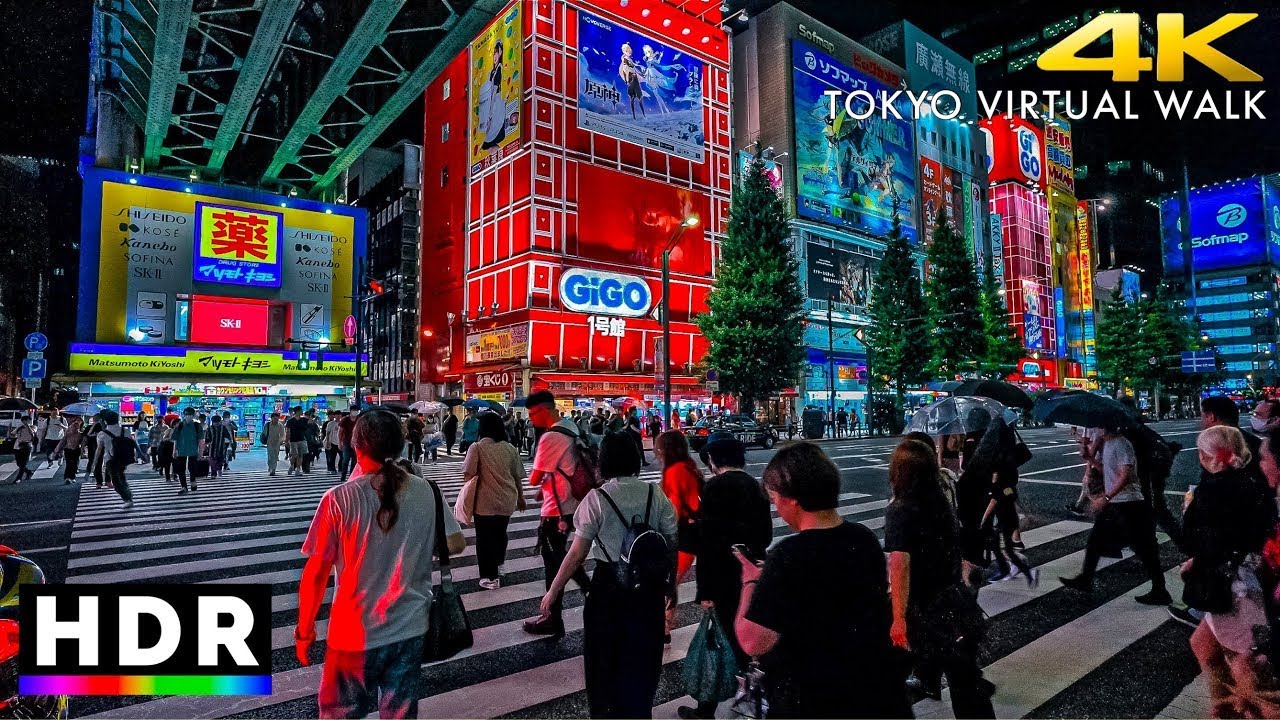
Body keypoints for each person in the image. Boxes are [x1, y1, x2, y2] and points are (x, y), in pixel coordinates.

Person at [295, 408, 466, 719]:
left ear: (356, 445)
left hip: (353, 632)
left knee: (340, 713)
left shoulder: (339, 498)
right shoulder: (426, 490)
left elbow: (316, 574)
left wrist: (305, 629)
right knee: (400, 713)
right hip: (411, 627)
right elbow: (455, 543)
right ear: (400, 445)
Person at [734, 442, 912, 719]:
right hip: (873, 689)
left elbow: (753, 641)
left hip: (814, 697)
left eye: (775, 498)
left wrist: (751, 582)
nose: (776, 507)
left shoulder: (788, 556)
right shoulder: (863, 539)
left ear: (792, 498)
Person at [539, 431, 677, 718]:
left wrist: (553, 591)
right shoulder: (655, 494)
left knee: (603, 659)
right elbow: (671, 542)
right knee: (643, 658)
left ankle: (606, 712)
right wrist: (670, 585)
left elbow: (576, 554)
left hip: (607, 587)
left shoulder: (596, 499)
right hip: (648, 587)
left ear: (604, 461)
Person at [885, 439, 995, 718]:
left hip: (922, 607)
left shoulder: (901, 508)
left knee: (888, 675)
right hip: (953, 601)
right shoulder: (940, 501)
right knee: (963, 679)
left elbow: (900, 565)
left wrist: (898, 618)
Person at [1183, 425, 1280, 718]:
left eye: (1265, 458)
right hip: (1248, 576)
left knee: (1244, 661)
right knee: (1204, 645)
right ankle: (1226, 708)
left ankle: (1255, 710)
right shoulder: (1255, 484)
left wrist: (1191, 513)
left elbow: (1197, 538)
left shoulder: (1211, 490)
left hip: (1231, 585)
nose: (1261, 463)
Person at [678, 433, 772, 720]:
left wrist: (705, 591)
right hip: (750, 572)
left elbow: (708, 543)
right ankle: (752, 703)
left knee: (720, 640)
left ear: (713, 459)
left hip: (721, 576)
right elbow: (765, 536)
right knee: (745, 639)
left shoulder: (715, 487)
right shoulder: (754, 486)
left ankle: (709, 709)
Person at [1060, 422, 1171, 605]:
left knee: (1143, 549)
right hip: (1116, 503)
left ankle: (1160, 589)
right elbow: (1109, 471)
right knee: (1095, 541)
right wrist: (1092, 460)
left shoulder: (1121, 444)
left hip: (1129, 503)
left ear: (1105, 427)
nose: (1095, 431)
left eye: (1098, 428)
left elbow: (1126, 475)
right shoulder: (1109, 444)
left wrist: (1106, 497)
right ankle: (1086, 579)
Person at [523, 390, 593, 636]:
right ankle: (559, 613)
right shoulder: (570, 427)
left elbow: (534, 477)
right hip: (574, 502)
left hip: (557, 509)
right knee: (561, 559)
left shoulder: (550, 437)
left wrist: (540, 485)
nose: (531, 419)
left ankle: (556, 615)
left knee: (556, 562)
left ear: (544, 410)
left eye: (533, 414)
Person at [462, 412, 527, 589]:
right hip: (507, 499)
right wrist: (521, 497)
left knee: (484, 539)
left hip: (484, 501)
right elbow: (518, 476)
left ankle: (489, 577)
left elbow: (468, 475)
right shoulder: (510, 448)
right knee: (500, 533)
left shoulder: (477, 448)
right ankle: (499, 563)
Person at [655, 430, 703, 641]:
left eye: (660, 448)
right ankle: (664, 626)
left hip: (682, 535)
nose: (657, 452)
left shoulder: (675, 471)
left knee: (668, 581)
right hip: (692, 532)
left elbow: (675, 508)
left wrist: (664, 533)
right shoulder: (689, 466)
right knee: (671, 581)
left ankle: (664, 627)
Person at [97, 411, 136, 509]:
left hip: (111, 460)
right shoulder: (125, 431)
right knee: (121, 476)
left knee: (116, 481)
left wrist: (93, 463)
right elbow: (133, 443)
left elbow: (99, 450)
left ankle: (127, 498)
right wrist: (142, 454)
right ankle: (128, 494)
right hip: (124, 458)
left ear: (105, 421)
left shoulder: (102, 434)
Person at [170, 407, 202, 493]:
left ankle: (193, 481)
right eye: (187, 414)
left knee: (192, 468)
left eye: (190, 414)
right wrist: (174, 451)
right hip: (181, 451)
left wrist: (201, 452)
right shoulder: (179, 426)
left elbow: (200, 439)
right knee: (181, 469)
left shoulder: (197, 426)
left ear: (193, 415)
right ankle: (184, 486)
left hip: (193, 450)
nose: (188, 416)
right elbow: (175, 439)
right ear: (184, 415)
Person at [7, 416, 36, 484]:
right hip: (17, 446)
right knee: (19, 463)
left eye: (28, 420)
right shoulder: (19, 427)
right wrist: (9, 430)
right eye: (26, 421)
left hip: (27, 445)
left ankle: (18, 478)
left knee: (23, 463)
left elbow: (32, 433)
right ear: (23, 421)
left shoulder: (33, 427)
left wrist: (27, 426)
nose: (27, 422)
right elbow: (12, 435)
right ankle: (29, 472)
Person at [57, 416, 85, 485]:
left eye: (80, 421)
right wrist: (58, 449)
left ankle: (72, 477)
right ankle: (67, 478)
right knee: (69, 464)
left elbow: (83, 442)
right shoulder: (69, 430)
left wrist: (82, 450)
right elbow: (64, 440)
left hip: (76, 449)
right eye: (77, 420)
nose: (78, 422)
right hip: (68, 449)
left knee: (75, 464)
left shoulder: (82, 432)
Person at [204, 414, 234, 480]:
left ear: (220, 422)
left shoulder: (223, 428)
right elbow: (207, 439)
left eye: (218, 422)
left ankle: (219, 469)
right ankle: (213, 474)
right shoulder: (209, 429)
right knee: (213, 461)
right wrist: (206, 445)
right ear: (212, 422)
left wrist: (230, 443)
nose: (216, 424)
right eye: (215, 422)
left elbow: (228, 436)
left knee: (220, 460)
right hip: (212, 448)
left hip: (221, 448)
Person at [286, 406, 309, 475]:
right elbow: (288, 431)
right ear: (298, 411)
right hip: (293, 440)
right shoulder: (290, 421)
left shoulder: (304, 420)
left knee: (300, 455)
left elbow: (310, 423)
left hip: (302, 439)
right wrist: (287, 440)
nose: (302, 412)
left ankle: (298, 469)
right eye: (301, 410)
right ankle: (292, 466)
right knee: (294, 455)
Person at [261, 412, 285, 477]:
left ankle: (273, 469)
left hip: (277, 443)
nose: (276, 420)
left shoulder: (280, 425)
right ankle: (270, 467)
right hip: (269, 442)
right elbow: (264, 433)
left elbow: (282, 434)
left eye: (277, 419)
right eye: (274, 419)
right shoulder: (267, 425)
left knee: (275, 456)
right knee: (270, 456)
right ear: (271, 418)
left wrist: (281, 440)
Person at [338, 410, 358, 481]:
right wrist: (340, 442)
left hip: (356, 443)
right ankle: (343, 476)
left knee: (354, 460)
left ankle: (351, 476)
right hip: (346, 442)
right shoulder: (345, 420)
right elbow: (340, 431)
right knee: (345, 459)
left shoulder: (359, 419)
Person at [156, 417, 177, 482]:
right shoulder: (169, 430)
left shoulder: (180, 431)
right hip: (168, 448)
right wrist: (170, 439)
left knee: (175, 463)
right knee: (168, 463)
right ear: (174, 424)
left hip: (176, 447)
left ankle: (175, 475)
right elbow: (163, 439)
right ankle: (168, 477)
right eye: (178, 423)